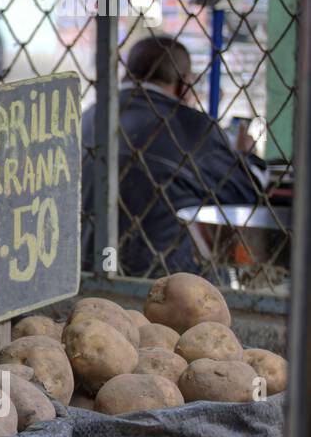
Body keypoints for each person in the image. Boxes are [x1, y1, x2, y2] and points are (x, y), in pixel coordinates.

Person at [81, 35, 266, 277]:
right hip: (170, 285)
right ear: (184, 85)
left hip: (90, 270)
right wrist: (246, 156)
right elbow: (248, 192)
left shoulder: (87, 118)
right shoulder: (192, 127)